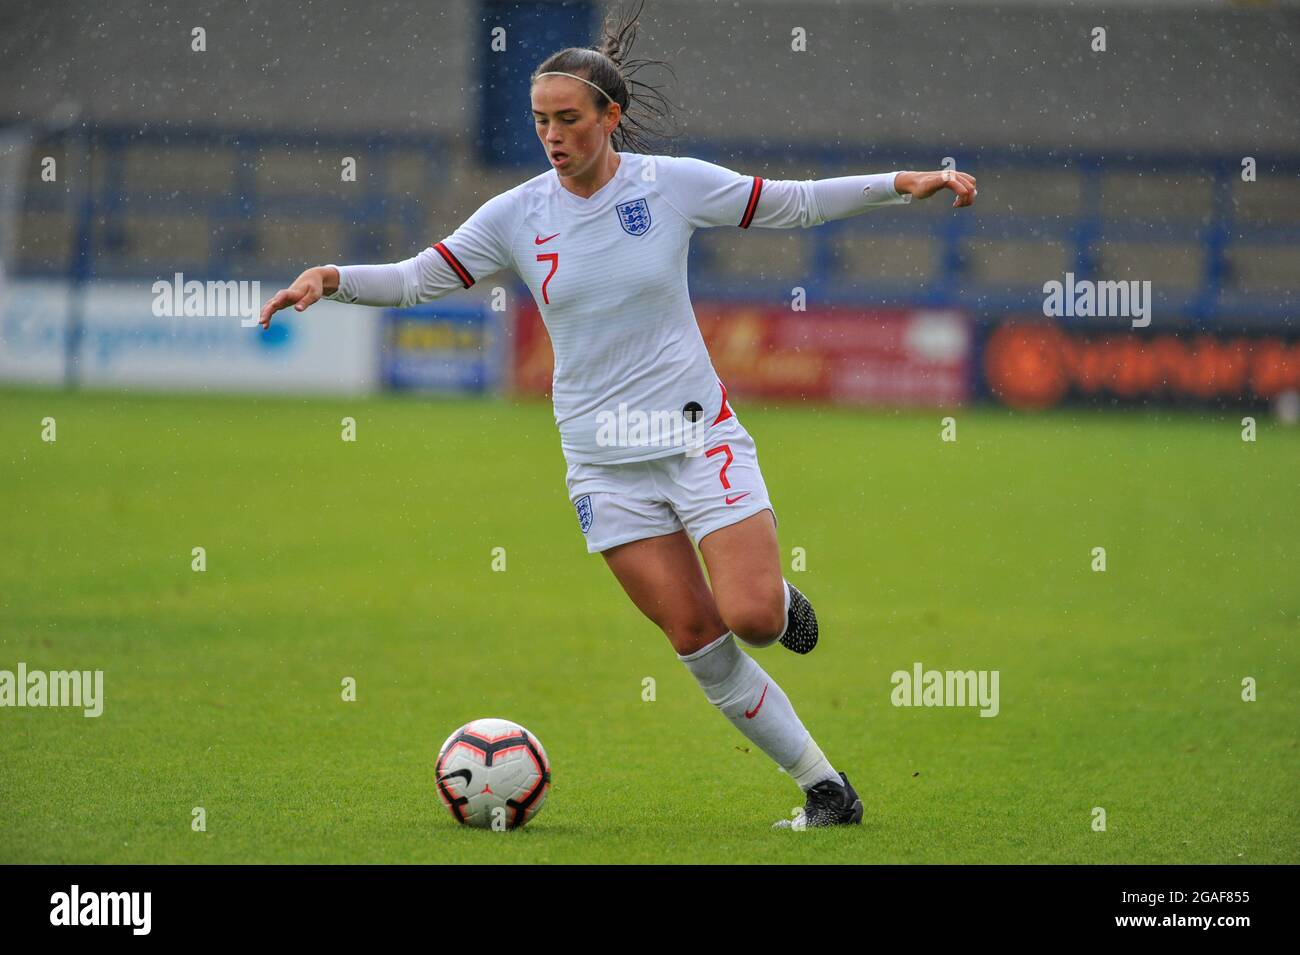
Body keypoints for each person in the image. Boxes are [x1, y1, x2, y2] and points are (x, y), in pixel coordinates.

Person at [259, 1, 976, 828]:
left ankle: (776, 594)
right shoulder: (518, 216)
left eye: (569, 119)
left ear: (611, 116)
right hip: (602, 465)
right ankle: (827, 790)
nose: (553, 136)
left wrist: (905, 185)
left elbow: (795, 202)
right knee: (699, 640)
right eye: (540, 122)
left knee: (752, 616)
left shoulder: (668, 186)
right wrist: (332, 276)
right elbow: (423, 276)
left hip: (695, 436)